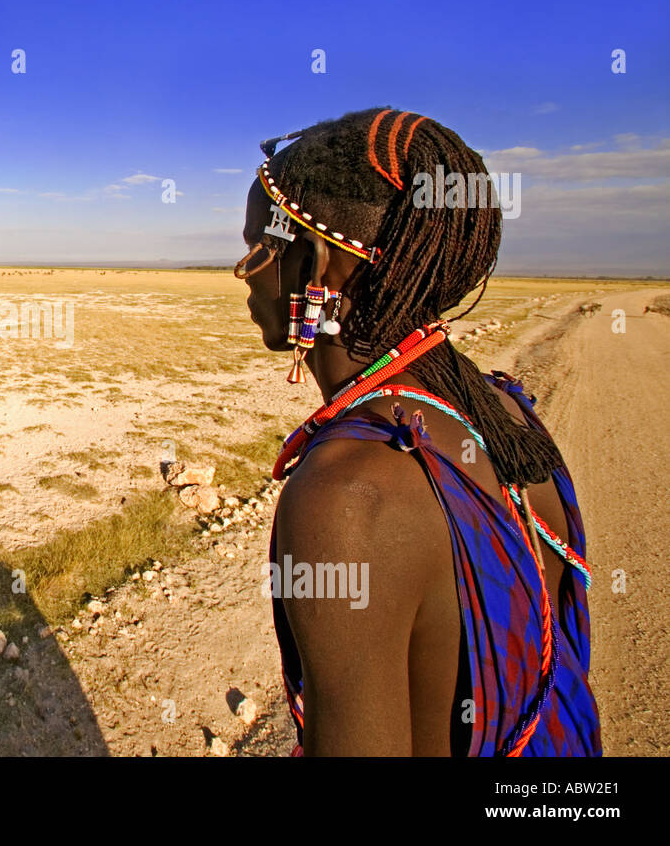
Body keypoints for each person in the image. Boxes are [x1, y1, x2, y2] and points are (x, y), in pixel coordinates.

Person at [235, 108, 600, 756]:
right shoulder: (503, 412)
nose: (244, 270)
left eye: (258, 244)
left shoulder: (348, 495)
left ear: (317, 265)